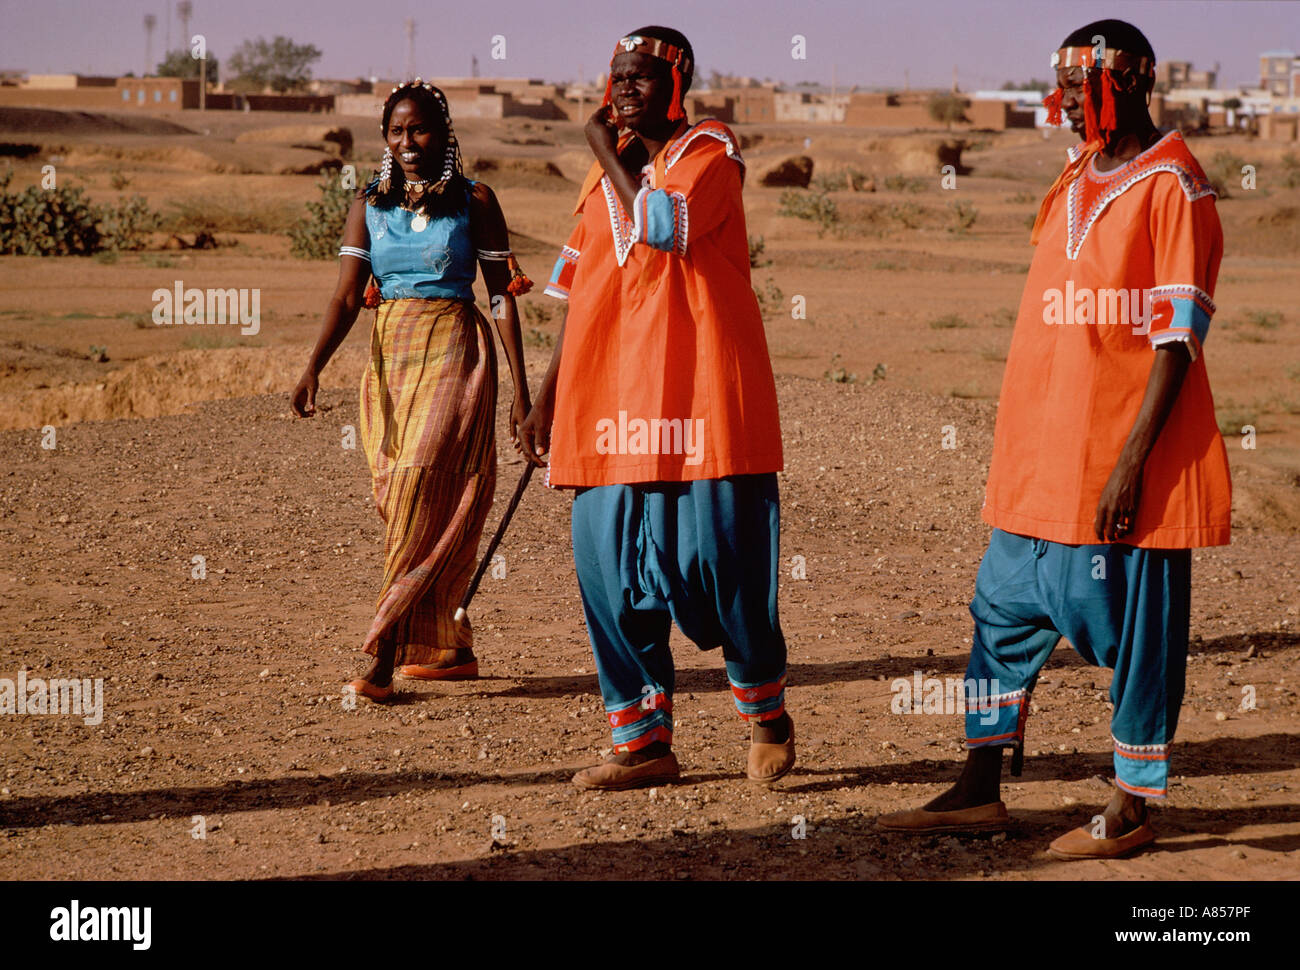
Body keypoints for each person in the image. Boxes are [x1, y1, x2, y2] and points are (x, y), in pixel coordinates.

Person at [878, 19, 1231, 859]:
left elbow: (1177, 339)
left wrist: (1132, 462)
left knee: (1138, 631)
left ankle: (1134, 803)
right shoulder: (1076, 176)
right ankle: (978, 787)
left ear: (1133, 79)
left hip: (1119, 462)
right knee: (999, 614)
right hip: (1042, 455)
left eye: (1081, 87)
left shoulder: (1175, 186)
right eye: (1062, 88)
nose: (1065, 104)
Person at [518, 26, 793, 790]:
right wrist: (547, 398)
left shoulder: (710, 153)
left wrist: (603, 149)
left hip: (699, 403)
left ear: (675, 83)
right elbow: (577, 291)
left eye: (638, 77)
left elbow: (662, 226)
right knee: (608, 574)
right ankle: (643, 743)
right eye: (616, 77)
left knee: (723, 570)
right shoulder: (596, 180)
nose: (624, 90)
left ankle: (766, 715)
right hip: (608, 401)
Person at [291, 80, 533, 700]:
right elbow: (347, 296)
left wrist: (522, 395)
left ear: (444, 132)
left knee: (422, 486)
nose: (408, 142)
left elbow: (502, 295)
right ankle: (446, 643)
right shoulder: (368, 204)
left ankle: (384, 648)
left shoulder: (475, 201)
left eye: (420, 129)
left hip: (456, 348)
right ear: (384, 138)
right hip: (388, 359)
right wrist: (313, 365)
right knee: (398, 496)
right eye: (396, 131)